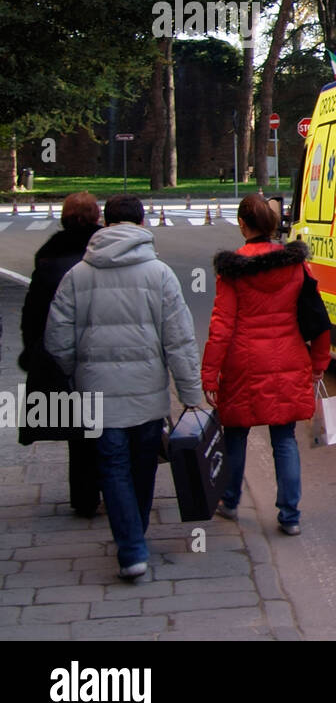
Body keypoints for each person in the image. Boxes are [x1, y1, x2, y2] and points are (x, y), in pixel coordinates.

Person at [45, 195, 203, 580]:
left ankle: (131, 549)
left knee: (112, 467)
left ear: (105, 224)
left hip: (96, 394)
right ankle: (136, 535)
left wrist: (75, 372)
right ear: (142, 222)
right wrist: (191, 394)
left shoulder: (78, 276)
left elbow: (57, 338)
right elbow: (179, 340)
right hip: (147, 394)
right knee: (143, 464)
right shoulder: (159, 274)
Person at [201, 194, 329, 536]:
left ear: (243, 225)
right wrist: (318, 361)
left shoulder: (232, 270)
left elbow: (221, 325)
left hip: (242, 364)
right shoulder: (296, 265)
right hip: (288, 358)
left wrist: (209, 374)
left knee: (236, 435)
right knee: (284, 439)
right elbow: (317, 317)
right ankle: (290, 515)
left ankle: (229, 500)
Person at [18, 192, 102, 516]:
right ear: (97, 217)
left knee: (79, 430)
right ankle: (115, 488)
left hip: (64, 352)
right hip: (103, 348)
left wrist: (34, 350)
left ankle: (83, 497)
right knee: (109, 424)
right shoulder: (102, 252)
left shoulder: (49, 257)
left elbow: (34, 311)